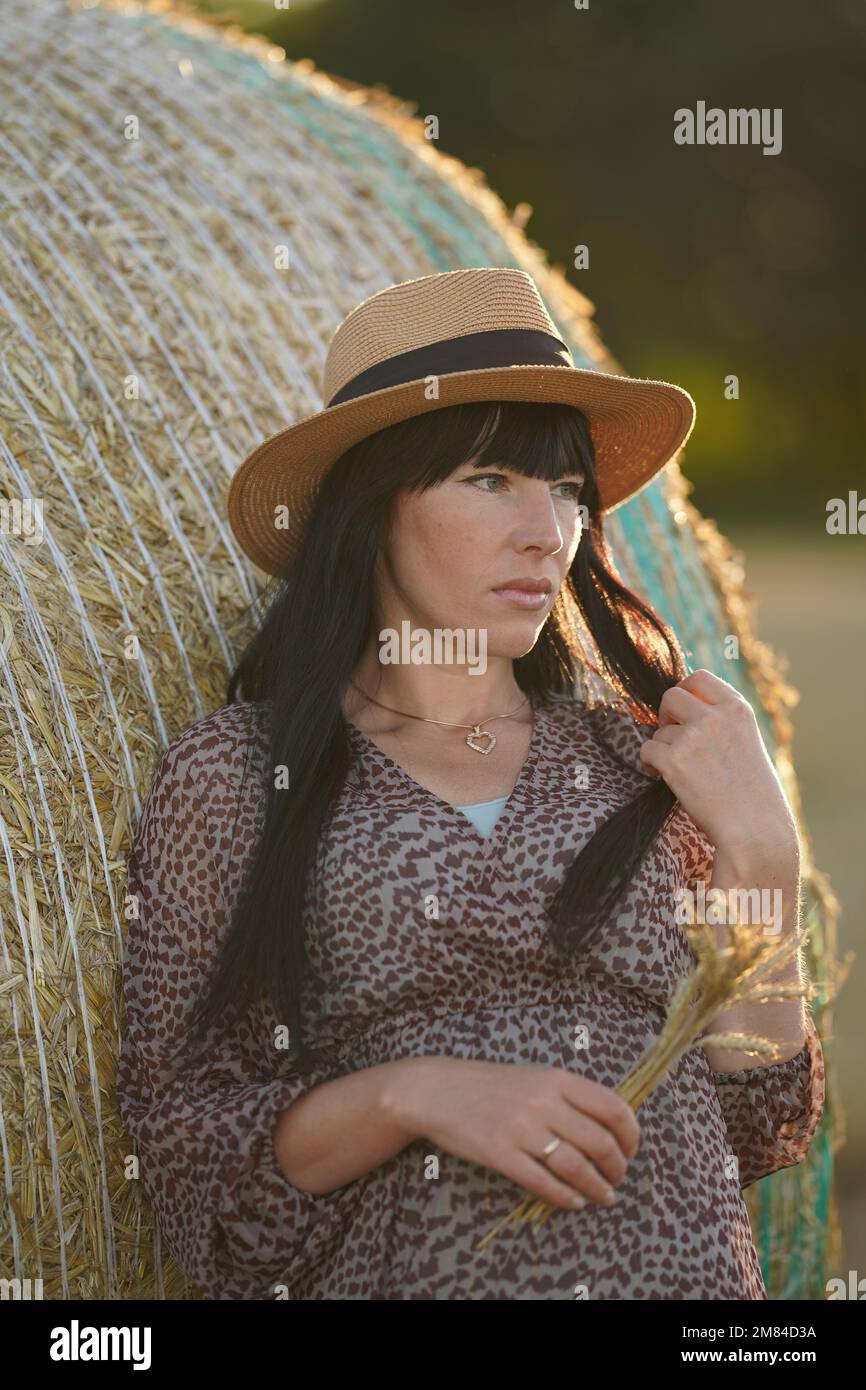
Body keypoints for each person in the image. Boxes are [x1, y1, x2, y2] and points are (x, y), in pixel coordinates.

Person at [116, 268, 825, 1300]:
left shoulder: (637, 763)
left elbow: (753, 1123)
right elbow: (192, 1161)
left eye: (567, 492)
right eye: (490, 480)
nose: (545, 532)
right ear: (370, 505)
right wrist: (411, 1093)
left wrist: (762, 857)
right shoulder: (238, 774)